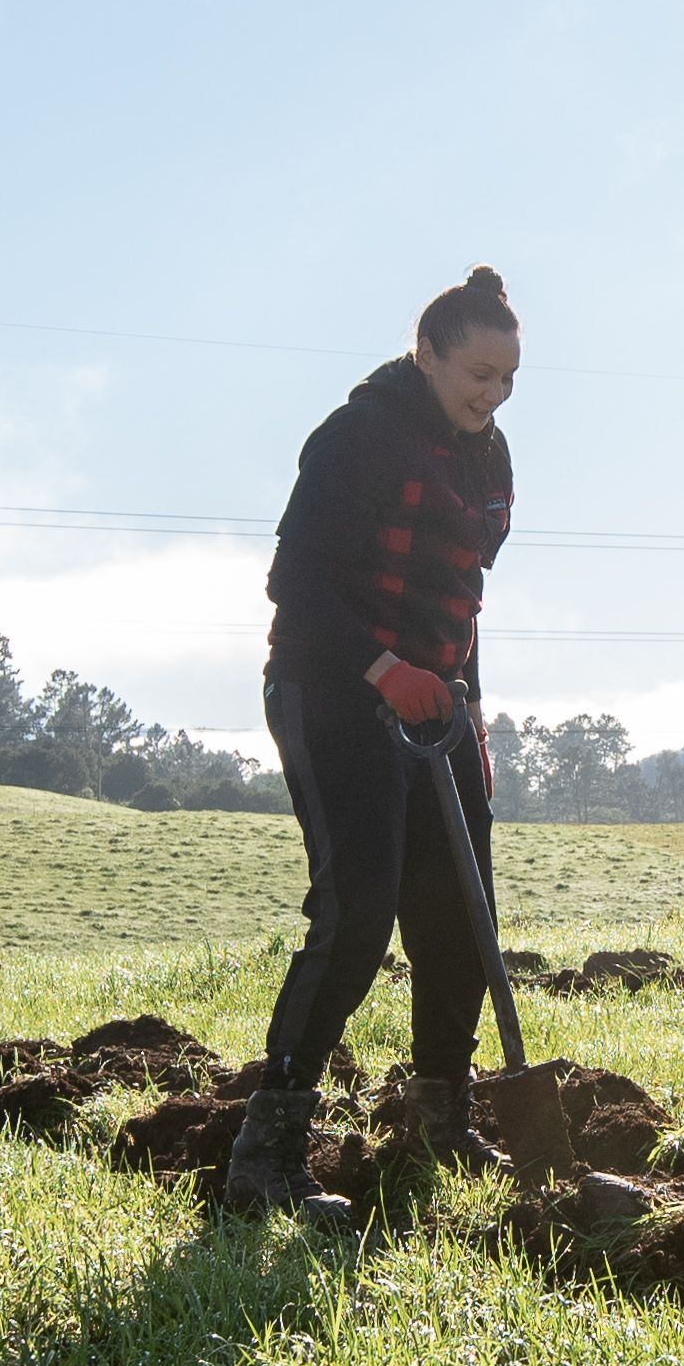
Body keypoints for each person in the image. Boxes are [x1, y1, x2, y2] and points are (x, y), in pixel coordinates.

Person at [230, 269, 522, 1218]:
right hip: (332, 689)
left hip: (435, 709)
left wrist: (460, 700)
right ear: (426, 352)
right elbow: (296, 587)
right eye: (478, 372)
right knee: (357, 914)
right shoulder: (357, 435)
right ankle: (264, 1158)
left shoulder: (492, 460)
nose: (491, 394)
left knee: (459, 919)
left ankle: (439, 1121)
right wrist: (384, 668)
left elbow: (461, 598)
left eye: (508, 379)